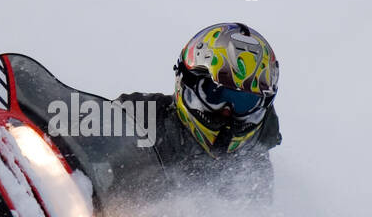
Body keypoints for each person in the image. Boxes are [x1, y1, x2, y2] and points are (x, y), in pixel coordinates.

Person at [111, 21, 281, 207]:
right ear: (187, 80)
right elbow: (88, 138)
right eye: (216, 94)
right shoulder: (138, 115)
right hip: (106, 216)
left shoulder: (251, 167)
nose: (227, 110)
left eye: (243, 101)